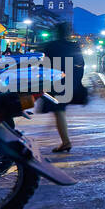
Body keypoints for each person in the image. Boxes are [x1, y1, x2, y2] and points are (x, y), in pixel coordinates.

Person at [38, 23, 88, 154]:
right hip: (67, 82)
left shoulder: (51, 46)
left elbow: (42, 64)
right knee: (58, 110)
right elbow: (81, 64)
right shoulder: (73, 46)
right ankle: (64, 140)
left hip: (54, 82)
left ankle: (66, 142)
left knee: (58, 110)